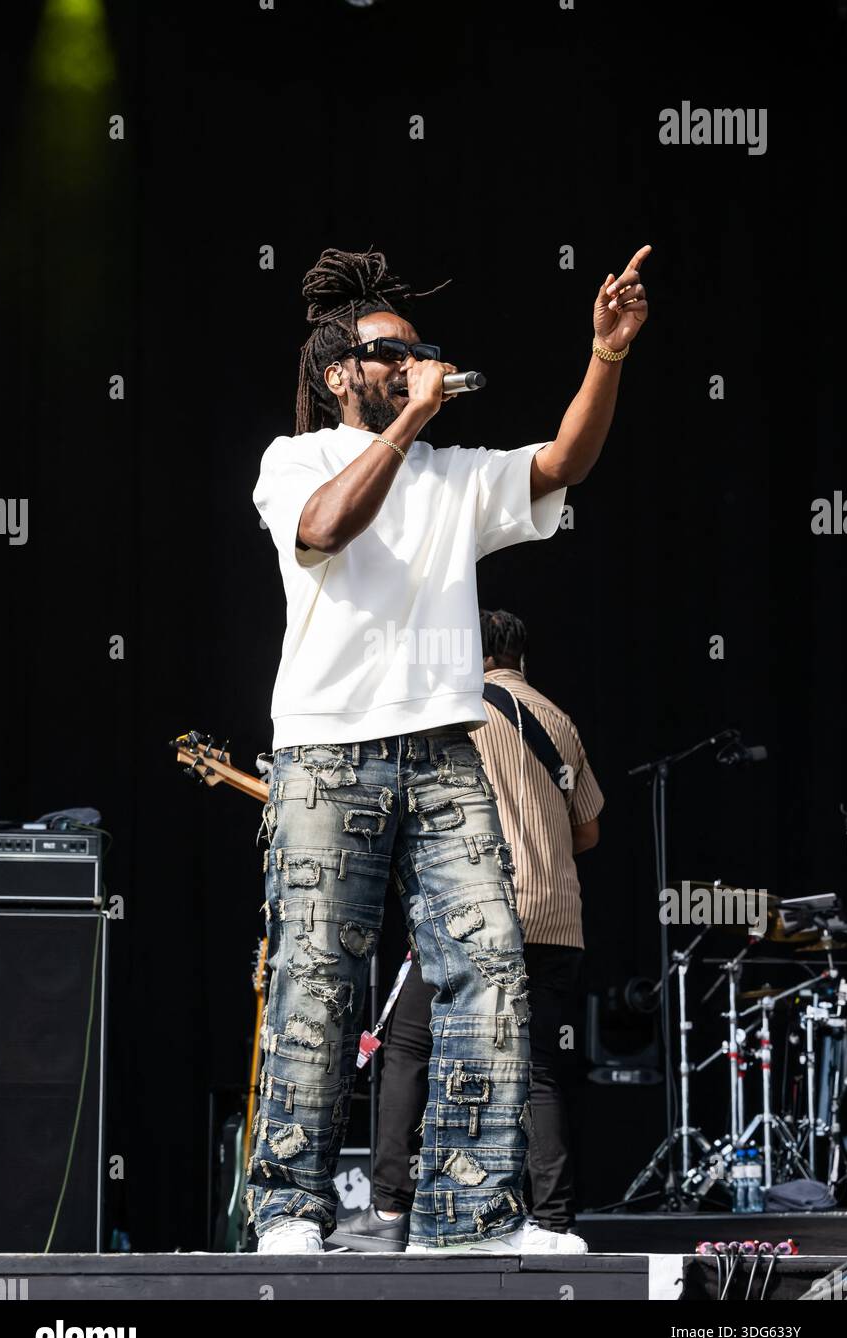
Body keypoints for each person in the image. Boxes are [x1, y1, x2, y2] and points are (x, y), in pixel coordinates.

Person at [248, 244, 650, 1253]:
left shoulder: (452, 477)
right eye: (391, 353)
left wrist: (603, 355)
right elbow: (324, 531)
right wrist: (417, 415)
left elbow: (560, 463)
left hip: (440, 745)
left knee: (487, 966)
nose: (411, 363)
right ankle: (289, 1210)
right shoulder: (293, 459)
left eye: (417, 352)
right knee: (315, 979)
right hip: (327, 751)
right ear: (340, 371)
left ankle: (467, 1212)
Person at [330, 608, 604, 1254]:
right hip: (559, 919)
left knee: (405, 1047)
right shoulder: (558, 720)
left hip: (478, 913)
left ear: (473, 655)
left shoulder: (456, 711)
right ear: (519, 658)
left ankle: (391, 1210)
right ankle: (555, 1222)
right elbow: (589, 828)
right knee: (538, 1066)